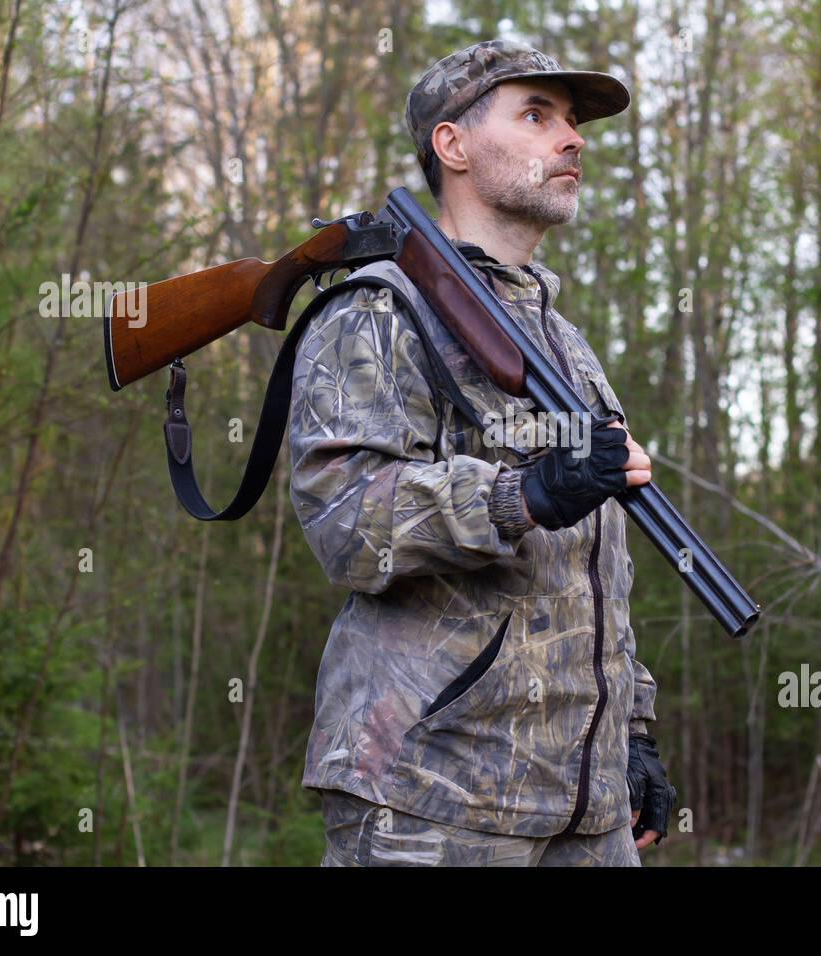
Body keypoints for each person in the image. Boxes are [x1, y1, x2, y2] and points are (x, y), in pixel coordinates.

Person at [288, 38, 676, 867]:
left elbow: (598, 564)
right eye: (536, 115)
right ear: (452, 145)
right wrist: (519, 497)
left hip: (586, 811)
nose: (571, 138)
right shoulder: (377, 312)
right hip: (430, 800)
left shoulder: (566, 345)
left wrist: (632, 731)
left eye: (572, 121)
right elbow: (346, 521)